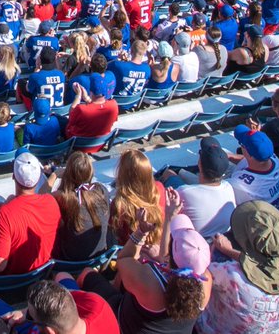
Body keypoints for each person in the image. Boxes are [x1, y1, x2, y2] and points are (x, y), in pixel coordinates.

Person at [77, 206, 213, 334]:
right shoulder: (206, 282)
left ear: (170, 255)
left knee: (86, 273)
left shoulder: (150, 282)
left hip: (121, 324)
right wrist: (169, 215)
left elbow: (124, 259)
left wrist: (140, 232)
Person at [199, 201, 279, 334]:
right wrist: (229, 251)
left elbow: (201, 275)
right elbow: (264, 265)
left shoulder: (230, 274)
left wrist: (213, 251)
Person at [0, 153, 61, 275]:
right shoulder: (51, 201)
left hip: (11, 281)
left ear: (13, 176)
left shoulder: (4, 214)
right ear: (38, 178)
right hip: (42, 273)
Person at [0, 276, 117, 334]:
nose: (26, 314)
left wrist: (2, 332)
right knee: (63, 276)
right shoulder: (97, 304)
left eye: (31, 317)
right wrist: (25, 313)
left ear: (50, 332)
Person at [168, 136, 236, 238]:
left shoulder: (185, 191)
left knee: (168, 174)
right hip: (221, 239)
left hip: (193, 243)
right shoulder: (228, 187)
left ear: (199, 164)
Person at [52, 151, 112, 262]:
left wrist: (54, 175)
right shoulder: (101, 190)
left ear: (67, 173)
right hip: (99, 255)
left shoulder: (63, 197)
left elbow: (41, 197)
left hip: (71, 260)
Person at [229, 126, 279, 206]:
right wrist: (229, 156)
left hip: (251, 211)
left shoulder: (240, 185)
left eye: (241, 144)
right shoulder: (273, 159)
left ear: (250, 155)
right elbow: (248, 160)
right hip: (274, 206)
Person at [66, 74, 118, 152]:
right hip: (100, 144)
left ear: (91, 91)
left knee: (58, 120)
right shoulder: (113, 105)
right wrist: (86, 98)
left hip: (79, 146)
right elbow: (98, 106)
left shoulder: (82, 109)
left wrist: (78, 96)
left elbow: (71, 115)